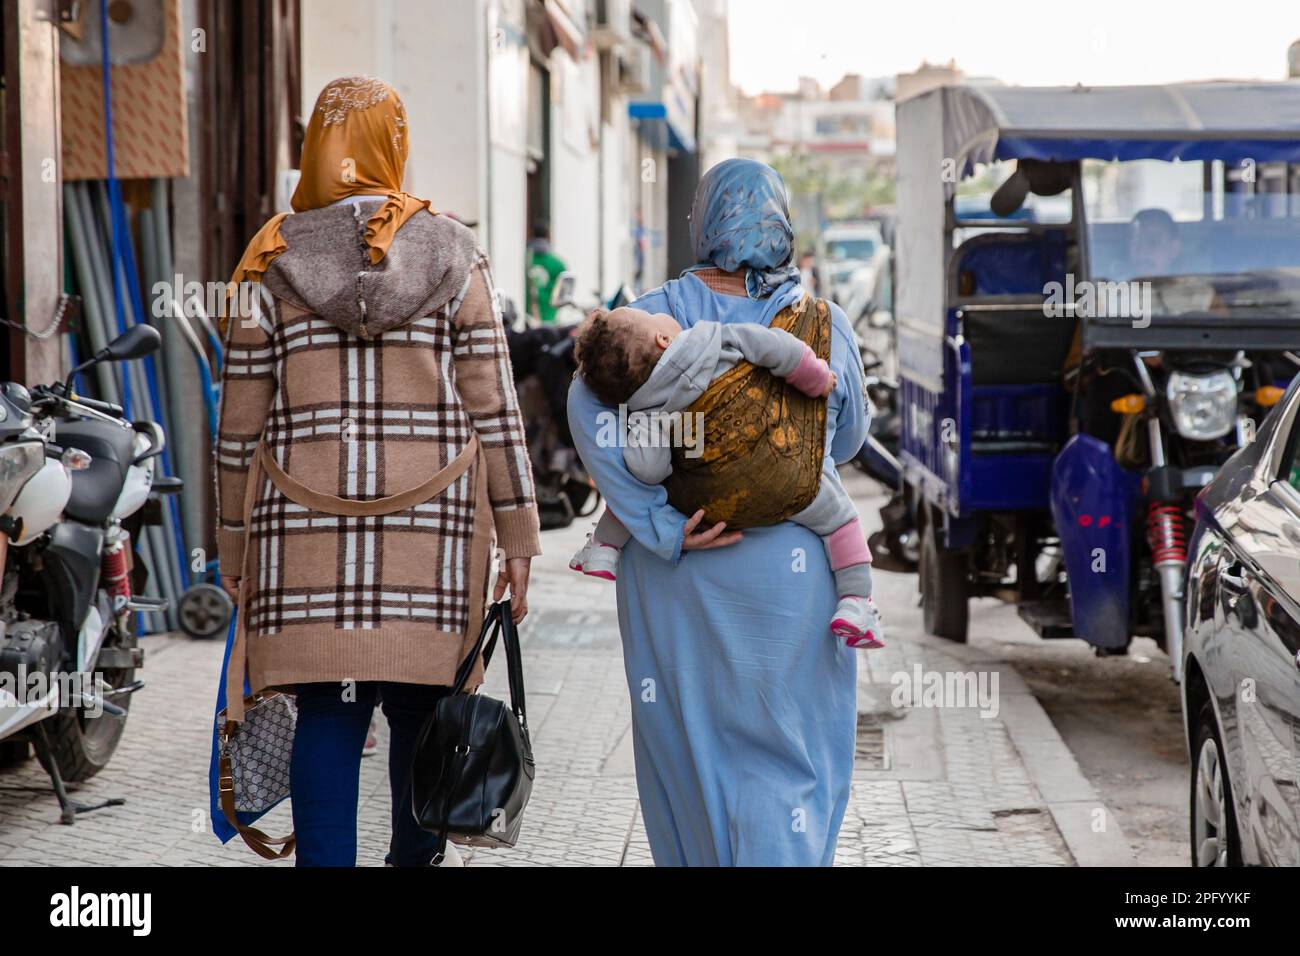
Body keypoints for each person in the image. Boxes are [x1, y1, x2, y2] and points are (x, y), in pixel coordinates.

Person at [217, 76, 540, 867]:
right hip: (432, 543)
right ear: (395, 144)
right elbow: (496, 409)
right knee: (426, 716)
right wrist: (520, 539)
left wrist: (232, 553)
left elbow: (236, 432)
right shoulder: (455, 253)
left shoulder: (269, 257)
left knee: (327, 717)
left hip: (304, 541)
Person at [567, 158, 870, 866]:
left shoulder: (645, 312)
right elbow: (848, 438)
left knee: (688, 751)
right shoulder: (820, 320)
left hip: (679, 579)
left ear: (699, 223)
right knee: (791, 751)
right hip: (795, 569)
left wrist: (656, 522)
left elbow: (588, 408)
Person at [567, 305, 883, 647]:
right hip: (781, 471)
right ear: (663, 337)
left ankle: (604, 546)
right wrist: (815, 378)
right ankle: (856, 601)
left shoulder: (646, 410)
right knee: (839, 519)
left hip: (714, 500)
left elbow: (647, 471)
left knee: (639, 492)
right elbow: (774, 346)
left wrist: (642, 433)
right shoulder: (710, 338)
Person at [526, 219, 567, 324]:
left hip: (527, 316)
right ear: (548, 236)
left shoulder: (524, 260)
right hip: (550, 317)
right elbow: (563, 294)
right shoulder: (558, 263)